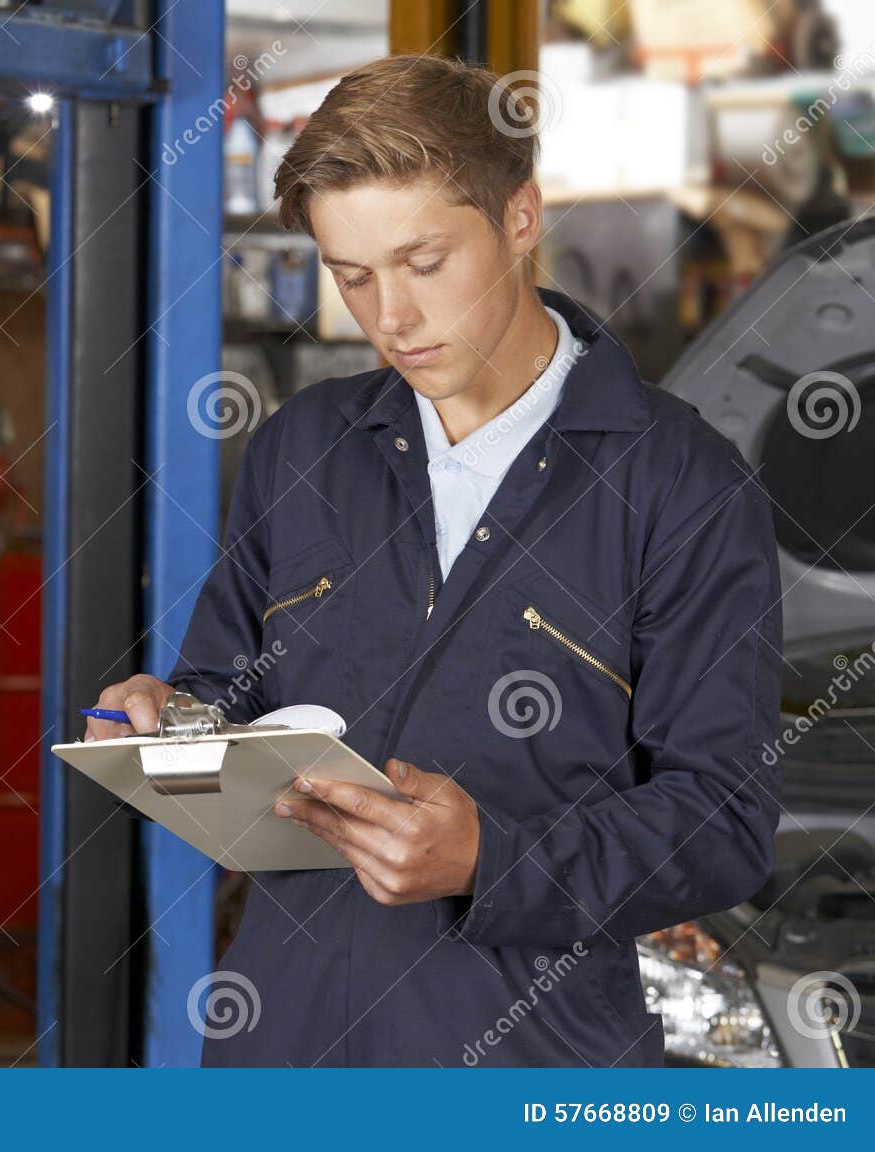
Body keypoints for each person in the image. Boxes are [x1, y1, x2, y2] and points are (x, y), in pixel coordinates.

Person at [87, 55, 782, 1067]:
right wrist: (170, 722)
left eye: (422, 263)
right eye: (351, 275)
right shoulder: (304, 448)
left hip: (525, 1062)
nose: (390, 319)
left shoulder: (681, 485)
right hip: (279, 1039)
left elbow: (721, 821)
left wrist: (492, 860)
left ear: (520, 217)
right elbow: (219, 691)